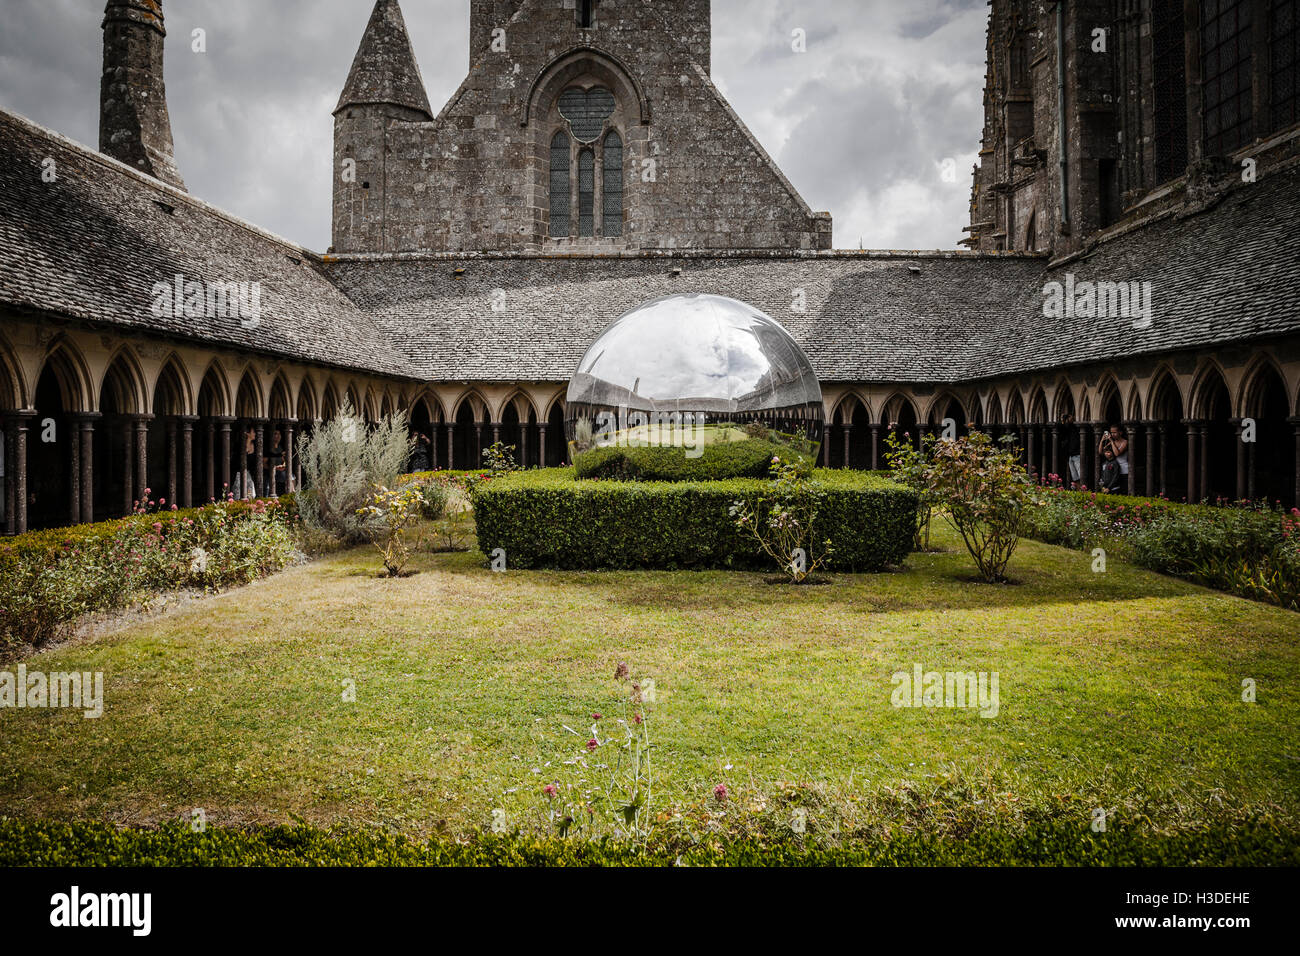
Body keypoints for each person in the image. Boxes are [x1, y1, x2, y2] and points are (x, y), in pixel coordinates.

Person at [1098, 424, 1128, 493]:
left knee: (1123, 490)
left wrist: (1111, 441)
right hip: (1113, 470)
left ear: (1120, 432)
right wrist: (1102, 440)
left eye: (1114, 432)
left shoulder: (1125, 442)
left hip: (1123, 471)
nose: (1112, 434)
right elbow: (1101, 452)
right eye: (1111, 432)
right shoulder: (1113, 442)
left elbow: (1117, 453)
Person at [1062, 413, 1081, 488]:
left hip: (1078, 455)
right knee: (1075, 478)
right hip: (1070, 455)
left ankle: (1083, 493)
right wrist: (1063, 421)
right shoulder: (1067, 429)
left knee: (1080, 477)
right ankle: (1080, 492)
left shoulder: (1077, 427)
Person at [266, 428, 287, 497]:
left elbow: (284, 460)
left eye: (279, 434)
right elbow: (263, 463)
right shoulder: (268, 447)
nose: (278, 436)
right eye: (275, 434)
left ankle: (291, 494)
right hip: (269, 473)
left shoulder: (280, 447)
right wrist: (274, 468)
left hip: (280, 472)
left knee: (290, 475)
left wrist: (283, 466)